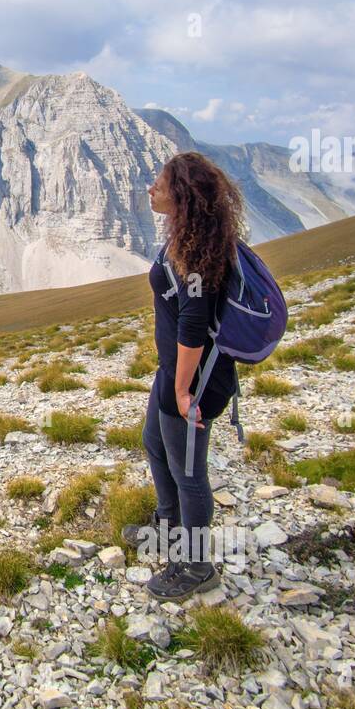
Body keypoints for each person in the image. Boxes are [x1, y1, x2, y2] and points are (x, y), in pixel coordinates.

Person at [124, 151, 244, 600]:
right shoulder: (191, 236)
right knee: (154, 443)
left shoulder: (195, 254)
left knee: (189, 471)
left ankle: (196, 567)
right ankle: (167, 526)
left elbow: (194, 326)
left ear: (183, 196)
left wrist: (180, 390)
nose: (151, 189)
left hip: (193, 382)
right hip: (173, 372)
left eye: (160, 184)